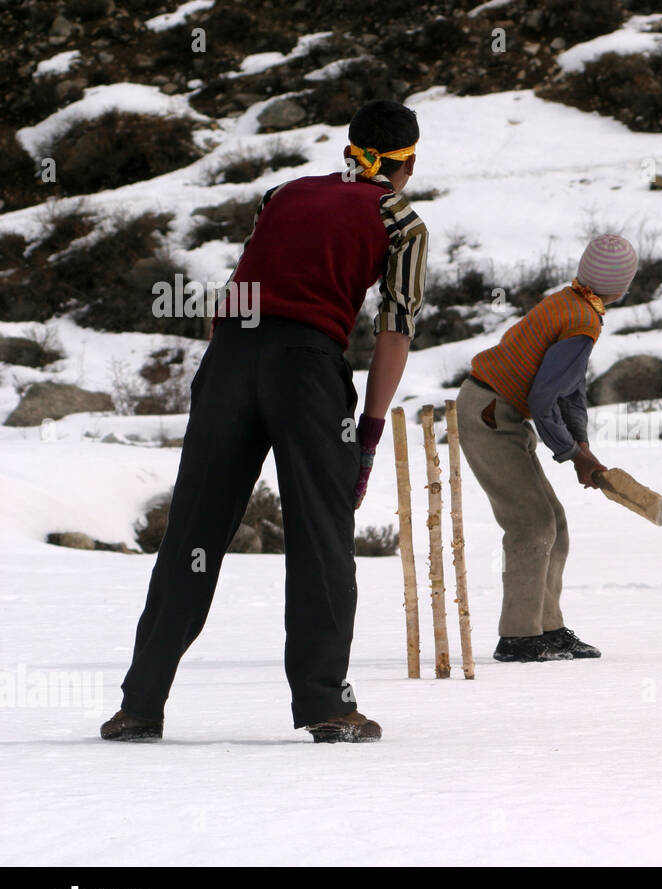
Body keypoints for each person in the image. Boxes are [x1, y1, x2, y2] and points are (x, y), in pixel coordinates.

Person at [100, 100, 428, 743]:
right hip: (306, 370)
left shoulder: (282, 195)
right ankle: (326, 704)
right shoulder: (401, 222)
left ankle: (140, 704)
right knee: (321, 537)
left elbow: (243, 287)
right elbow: (395, 330)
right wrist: (369, 425)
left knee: (193, 532)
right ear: (408, 162)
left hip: (228, 361)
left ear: (349, 147)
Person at [456, 234, 638, 663]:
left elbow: (570, 390)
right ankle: (519, 638)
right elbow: (543, 400)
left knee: (552, 519)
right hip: (488, 414)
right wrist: (572, 455)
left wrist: (582, 447)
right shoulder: (580, 319)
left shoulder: (573, 304)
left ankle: (547, 628)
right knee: (531, 525)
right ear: (622, 284)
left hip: (497, 411)